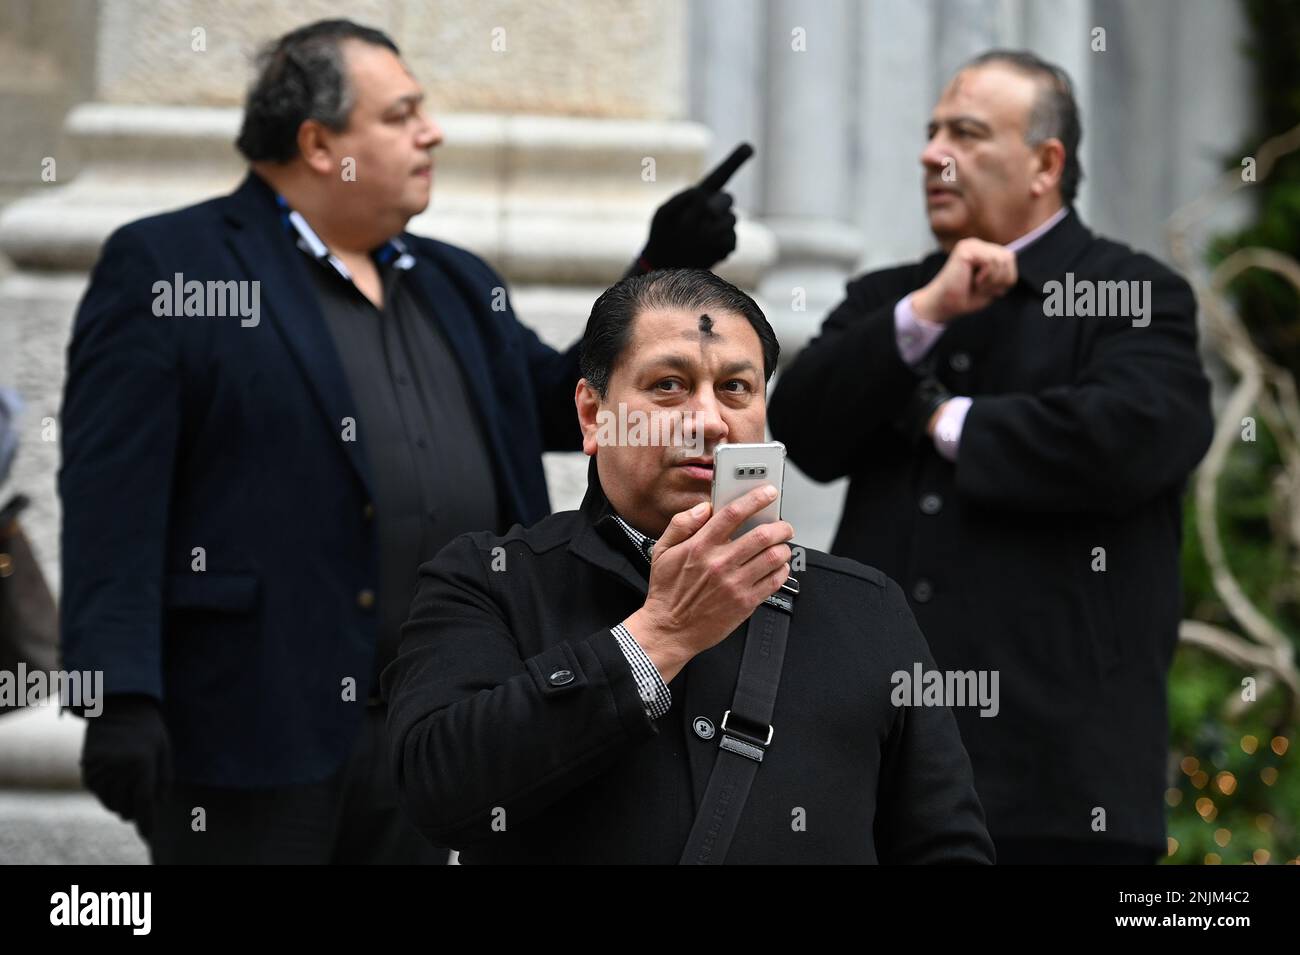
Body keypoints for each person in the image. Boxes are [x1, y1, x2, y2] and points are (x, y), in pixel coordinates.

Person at [60, 18, 738, 864]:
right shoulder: (172, 265)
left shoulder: (454, 279)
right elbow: (109, 494)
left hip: (443, 721)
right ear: (318, 142)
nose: (434, 132)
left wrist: (657, 265)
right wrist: (115, 692)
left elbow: (549, 403)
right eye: (402, 114)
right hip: (250, 724)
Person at [382, 268, 995, 864]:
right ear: (594, 415)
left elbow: (944, 842)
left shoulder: (866, 607)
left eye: (735, 388)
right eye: (669, 385)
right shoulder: (489, 581)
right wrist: (659, 638)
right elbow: (439, 791)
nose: (708, 420)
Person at [767, 50, 1214, 864]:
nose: (932, 153)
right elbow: (803, 426)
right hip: (875, 769)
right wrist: (923, 316)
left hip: (1061, 786)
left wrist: (943, 421)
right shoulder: (890, 299)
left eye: (966, 134)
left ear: (1046, 163)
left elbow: (1132, 436)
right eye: (932, 131)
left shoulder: (1130, 293)